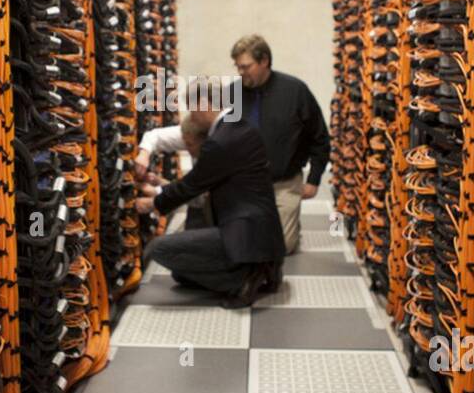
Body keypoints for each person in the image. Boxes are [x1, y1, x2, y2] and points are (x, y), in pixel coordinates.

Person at [134, 98, 285, 309]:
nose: (191, 116)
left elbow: (192, 186)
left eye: (192, 109)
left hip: (244, 229)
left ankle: (245, 277)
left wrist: (153, 204)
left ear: (204, 104)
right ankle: (261, 265)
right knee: (182, 274)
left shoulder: (220, 141)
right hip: (260, 229)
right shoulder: (239, 126)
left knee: (160, 249)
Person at [231, 34, 331, 254]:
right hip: (245, 185)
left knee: (282, 246)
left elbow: (320, 137)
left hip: (284, 184)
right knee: (237, 241)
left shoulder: (295, 91)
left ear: (264, 61)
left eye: (246, 66)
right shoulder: (234, 94)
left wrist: (314, 179)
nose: (240, 72)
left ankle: (287, 222)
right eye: (237, 67)